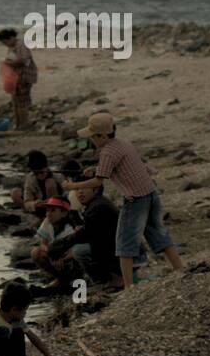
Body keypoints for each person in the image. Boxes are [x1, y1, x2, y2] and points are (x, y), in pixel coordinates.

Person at [64, 112, 183, 289]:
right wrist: (95, 169)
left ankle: (128, 287)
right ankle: (181, 270)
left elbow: (98, 181)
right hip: (151, 194)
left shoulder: (107, 152)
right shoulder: (123, 144)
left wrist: (73, 186)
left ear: (102, 136)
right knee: (159, 234)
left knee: (124, 243)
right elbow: (117, 166)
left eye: (93, 137)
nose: (92, 141)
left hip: (135, 200)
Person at [50, 180, 122, 288]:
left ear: (95, 190)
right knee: (78, 248)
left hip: (119, 249)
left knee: (79, 251)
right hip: (115, 246)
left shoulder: (97, 207)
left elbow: (88, 235)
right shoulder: (96, 204)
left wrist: (60, 246)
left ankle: (109, 279)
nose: (80, 193)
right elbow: (89, 233)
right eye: (77, 190)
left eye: (84, 189)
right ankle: (104, 278)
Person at [30, 197, 76, 287]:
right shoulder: (48, 221)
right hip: (56, 256)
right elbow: (43, 243)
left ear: (64, 213)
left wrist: (61, 258)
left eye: (53, 211)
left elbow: (74, 252)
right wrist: (52, 254)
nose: (48, 214)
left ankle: (70, 278)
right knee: (36, 252)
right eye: (47, 211)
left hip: (70, 260)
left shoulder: (70, 229)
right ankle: (60, 278)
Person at [0, 27, 37, 130]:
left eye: (5, 42)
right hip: (17, 77)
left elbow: (23, 60)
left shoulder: (21, 46)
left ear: (10, 38)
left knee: (22, 102)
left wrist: (8, 62)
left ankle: (24, 124)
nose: (5, 44)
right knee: (16, 101)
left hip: (24, 76)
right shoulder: (13, 46)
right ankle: (19, 124)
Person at [10, 150, 67, 215]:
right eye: (36, 173)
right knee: (14, 192)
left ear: (46, 167)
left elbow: (66, 196)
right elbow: (27, 201)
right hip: (39, 206)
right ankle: (36, 215)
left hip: (56, 205)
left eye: (41, 172)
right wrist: (35, 204)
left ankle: (53, 214)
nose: (39, 175)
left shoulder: (58, 176)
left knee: (50, 183)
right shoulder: (30, 178)